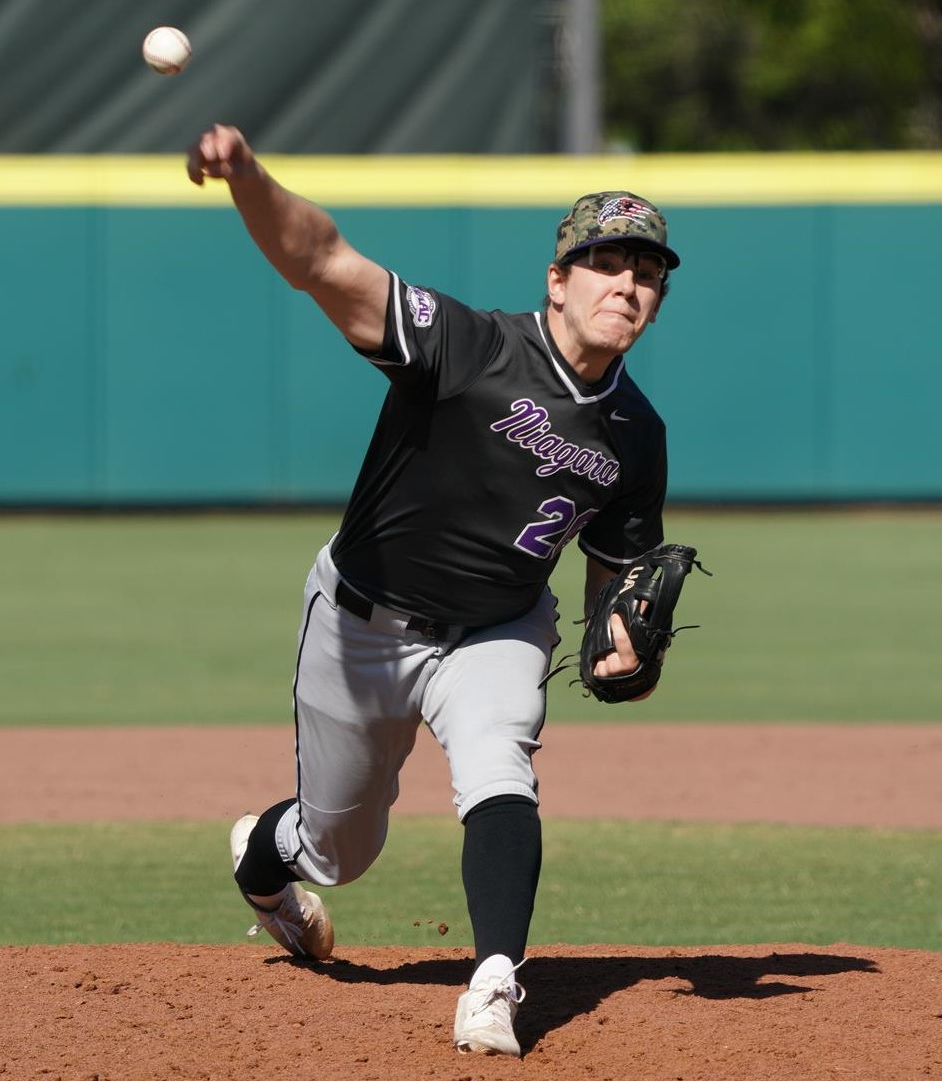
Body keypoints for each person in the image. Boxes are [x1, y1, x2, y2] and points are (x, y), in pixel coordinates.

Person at [189, 124, 679, 1057]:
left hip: (497, 626)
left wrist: (623, 653)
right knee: (341, 849)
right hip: (361, 624)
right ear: (558, 280)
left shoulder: (637, 435)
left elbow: (614, 597)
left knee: (500, 763)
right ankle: (263, 860)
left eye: (647, 272)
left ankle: (494, 981)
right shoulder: (466, 345)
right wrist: (248, 177)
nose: (627, 284)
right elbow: (323, 259)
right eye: (606, 263)